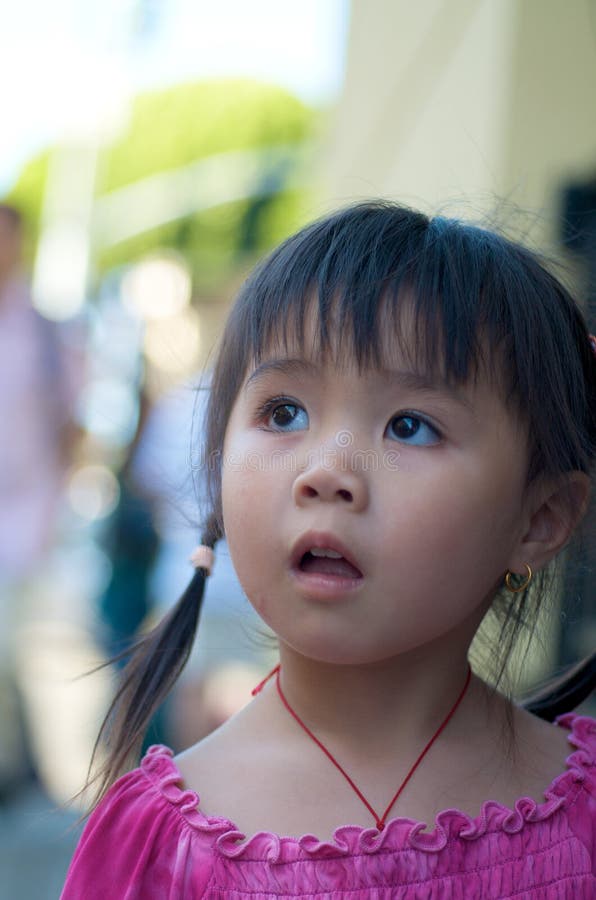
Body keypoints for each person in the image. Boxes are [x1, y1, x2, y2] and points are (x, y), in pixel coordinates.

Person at [62, 202, 596, 898]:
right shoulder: (156, 846)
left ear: (540, 518)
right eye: (284, 413)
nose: (327, 471)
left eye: (409, 426)